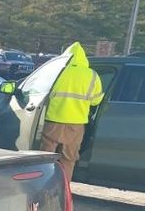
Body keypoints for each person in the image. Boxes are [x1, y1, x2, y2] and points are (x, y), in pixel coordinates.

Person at [39, 42, 103, 181]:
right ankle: (64, 190)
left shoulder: (58, 71)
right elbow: (96, 101)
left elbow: (42, 92)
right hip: (76, 124)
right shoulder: (91, 75)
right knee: (68, 159)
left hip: (53, 120)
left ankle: (42, 186)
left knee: (45, 157)